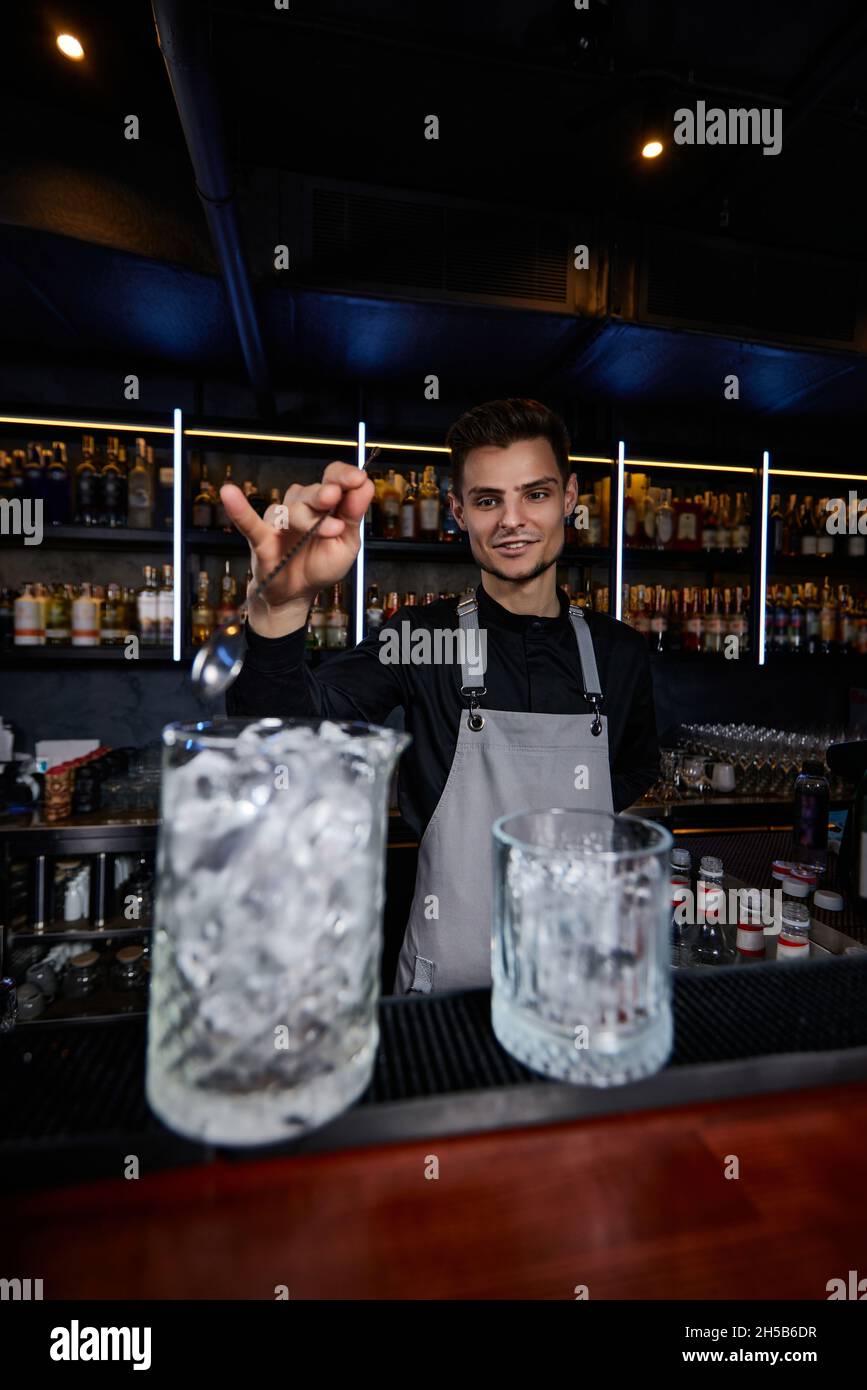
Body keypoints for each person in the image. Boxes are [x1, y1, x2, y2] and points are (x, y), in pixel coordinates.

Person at [221, 398, 660, 994]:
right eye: (487, 500)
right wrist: (281, 611)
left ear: (570, 497)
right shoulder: (421, 638)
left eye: (535, 493)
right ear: (457, 510)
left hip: (581, 991)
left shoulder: (620, 655)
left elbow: (629, 779)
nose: (513, 520)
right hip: (441, 999)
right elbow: (284, 737)